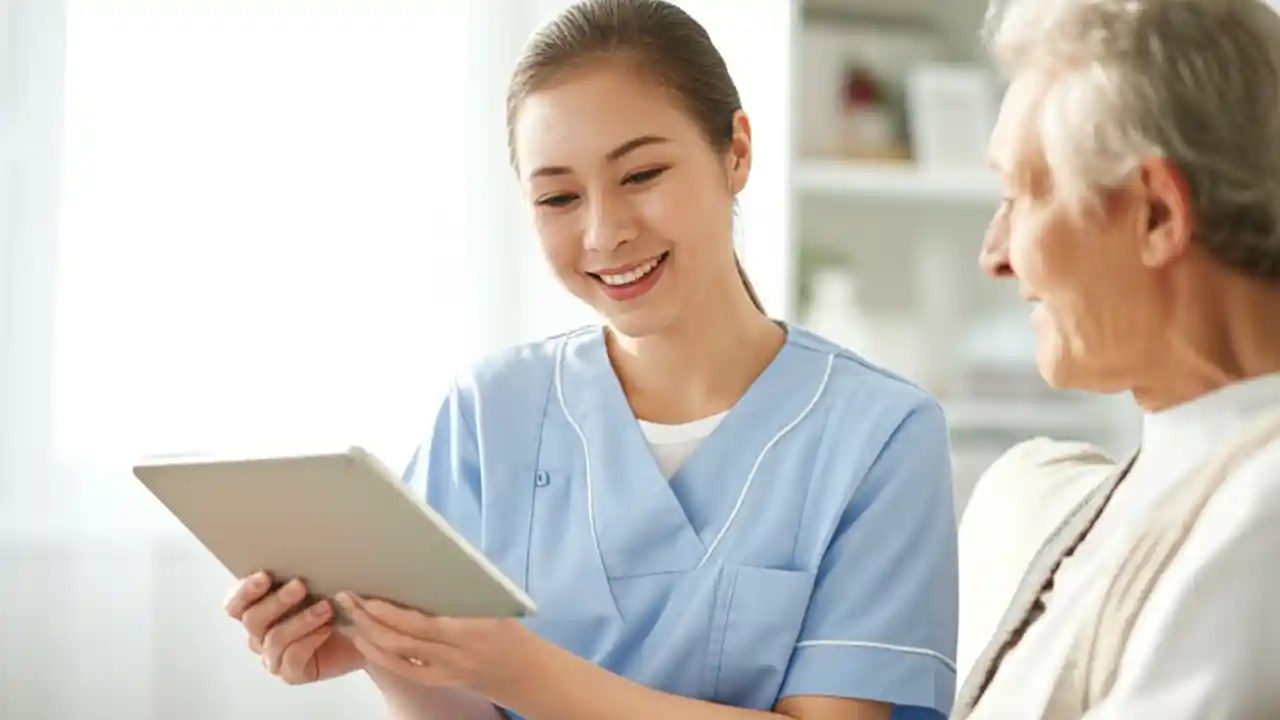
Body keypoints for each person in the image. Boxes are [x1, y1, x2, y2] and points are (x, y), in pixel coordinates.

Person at [221, 1, 959, 718]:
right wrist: (382, 652)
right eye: (558, 198)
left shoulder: (881, 434)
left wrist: (520, 671)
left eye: (641, 175)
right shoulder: (488, 414)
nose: (604, 234)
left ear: (735, 152)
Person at [956, 0, 1280, 717]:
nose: (994, 255)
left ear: (1157, 214)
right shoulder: (1153, 479)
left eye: (1018, 197)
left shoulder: (1265, 510)